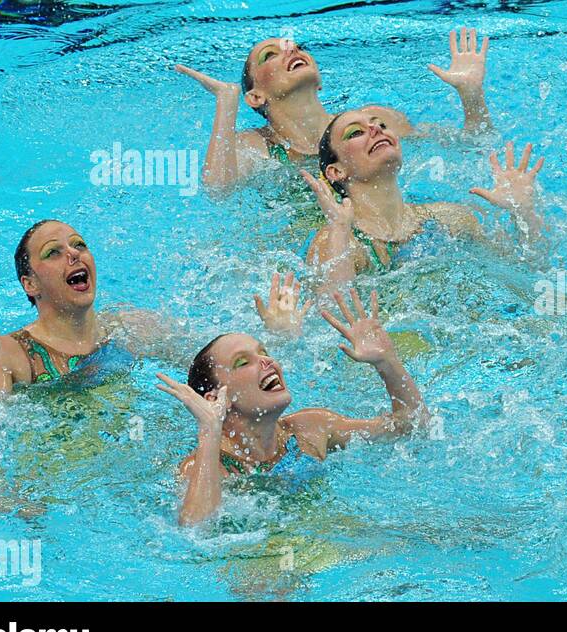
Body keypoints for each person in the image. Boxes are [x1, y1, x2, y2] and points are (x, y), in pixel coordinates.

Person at [158, 287, 428, 527]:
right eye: (243, 362)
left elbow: (412, 427)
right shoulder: (206, 466)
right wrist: (209, 431)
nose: (268, 361)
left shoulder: (310, 428)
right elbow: (196, 528)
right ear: (217, 399)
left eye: (263, 352)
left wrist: (387, 363)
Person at [175, 28, 493, 194]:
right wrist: (226, 102)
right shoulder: (257, 147)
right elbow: (217, 189)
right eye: (270, 55)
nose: (291, 51)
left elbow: (473, 148)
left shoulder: (375, 124)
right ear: (256, 97)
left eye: (296, 48)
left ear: (320, 81)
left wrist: (471, 96)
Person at [0, 220, 183, 409]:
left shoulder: (130, 326)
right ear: (30, 284)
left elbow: (202, 364)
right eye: (53, 252)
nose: (73, 253)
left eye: (79, 244)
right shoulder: (12, 353)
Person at [302, 107, 545, 285]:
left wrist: (522, 213)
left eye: (381, 125)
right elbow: (330, 312)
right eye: (355, 133)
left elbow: (527, 268)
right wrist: (339, 228)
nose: (376, 129)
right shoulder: (340, 241)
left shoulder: (450, 219)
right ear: (336, 171)